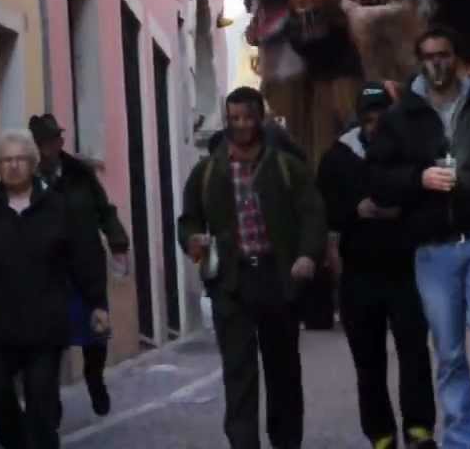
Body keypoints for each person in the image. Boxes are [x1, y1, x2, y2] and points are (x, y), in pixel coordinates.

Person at [366, 26, 470, 449]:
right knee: (450, 352)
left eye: (445, 54)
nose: (437, 63)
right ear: (420, 61)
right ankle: (460, 436)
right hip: (432, 251)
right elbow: (376, 180)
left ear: (458, 58)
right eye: (429, 55)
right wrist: (417, 178)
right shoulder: (400, 120)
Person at [178, 86, 327, 449]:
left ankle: (286, 442)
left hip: (277, 280)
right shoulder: (208, 171)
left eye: (247, 117)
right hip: (232, 283)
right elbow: (188, 220)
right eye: (234, 119)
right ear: (227, 121)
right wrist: (194, 239)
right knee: (238, 375)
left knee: (283, 374)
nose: (241, 125)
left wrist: (307, 254)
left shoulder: (285, 166)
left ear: (260, 119)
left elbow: (312, 214)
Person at [0, 130, 109, 449]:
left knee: (42, 403)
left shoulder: (57, 209)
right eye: (6, 160)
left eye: (20, 159)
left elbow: (84, 257)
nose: (13, 166)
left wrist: (97, 304)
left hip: (44, 326)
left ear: (33, 163)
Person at [318, 81, 438, 449]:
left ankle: (419, 431)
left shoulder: (412, 151)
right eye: (369, 119)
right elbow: (325, 211)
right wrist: (356, 210)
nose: (375, 125)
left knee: (415, 353)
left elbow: (430, 198)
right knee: (368, 361)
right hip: (360, 274)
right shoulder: (338, 156)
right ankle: (381, 436)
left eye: (381, 118)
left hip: (407, 268)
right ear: (359, 118)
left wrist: (403, 208)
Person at [28, 113, 128, 416]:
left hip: (85, 265)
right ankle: (50, 399)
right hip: (47, 272)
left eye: (56, 139)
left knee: (96, 334)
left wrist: (118, 244)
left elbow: (104, 209)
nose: (52, 146)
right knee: (50, 340)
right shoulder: (26, 178)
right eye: (45, 142)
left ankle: (94, 378)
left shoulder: (80, 173)